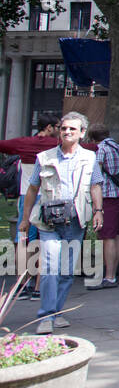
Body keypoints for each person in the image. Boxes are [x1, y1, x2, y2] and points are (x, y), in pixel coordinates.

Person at [16, 112, 105, 334]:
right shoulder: (44, 157)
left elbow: (95, 185)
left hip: (75, 221)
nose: (67, 132)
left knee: (66, 271)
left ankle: (56, 312)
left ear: (82, 133)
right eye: (64, 128)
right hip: (48, 223)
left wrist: (98, 211)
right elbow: (32, 189)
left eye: (72, 129)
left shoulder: (89, 158)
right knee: (49, 267)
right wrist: (25, 219)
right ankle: (46, 316)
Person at [0, 115, 60, 301]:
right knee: (46, 241)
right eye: (58, 126)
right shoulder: (58, 145)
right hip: (49, 195)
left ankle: (22, 284)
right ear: (50, 127)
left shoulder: (24, 143)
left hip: (27, 195)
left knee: (24, 240)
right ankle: (39, 287)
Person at [86, 124, 119, 290]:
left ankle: (109, 277)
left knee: (107, 236)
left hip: (108, 195)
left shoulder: (101, 149)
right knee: (117, 234)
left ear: (93, 138)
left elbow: (94, 173)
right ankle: (116, 270)